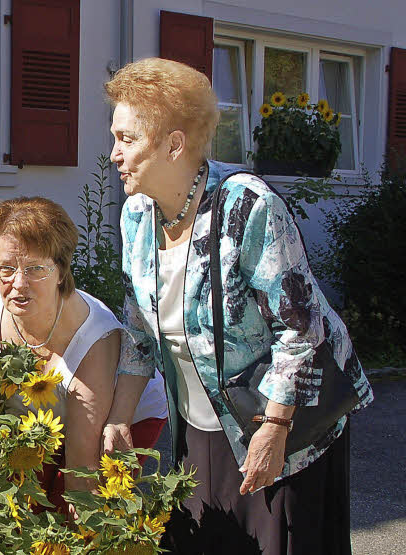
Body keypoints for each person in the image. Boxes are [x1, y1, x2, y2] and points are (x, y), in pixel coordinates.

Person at [102, 57, 373, 553]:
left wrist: (275, 428)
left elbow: (301, 328)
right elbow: (139, 330)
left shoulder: (248, 206)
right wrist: (120, 419)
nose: (114, 154)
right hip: (202, 425)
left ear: (173, 144)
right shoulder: (136, 216)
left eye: (126, 139)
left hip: (277, 420)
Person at [0, 196, 168, 509]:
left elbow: (82, 472)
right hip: (40, 422)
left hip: (123, 419)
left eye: (35, 269)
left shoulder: (96, 340)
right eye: (6, 268)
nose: (19, 284)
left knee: (71, 499)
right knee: (19, 496)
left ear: (61, 270)